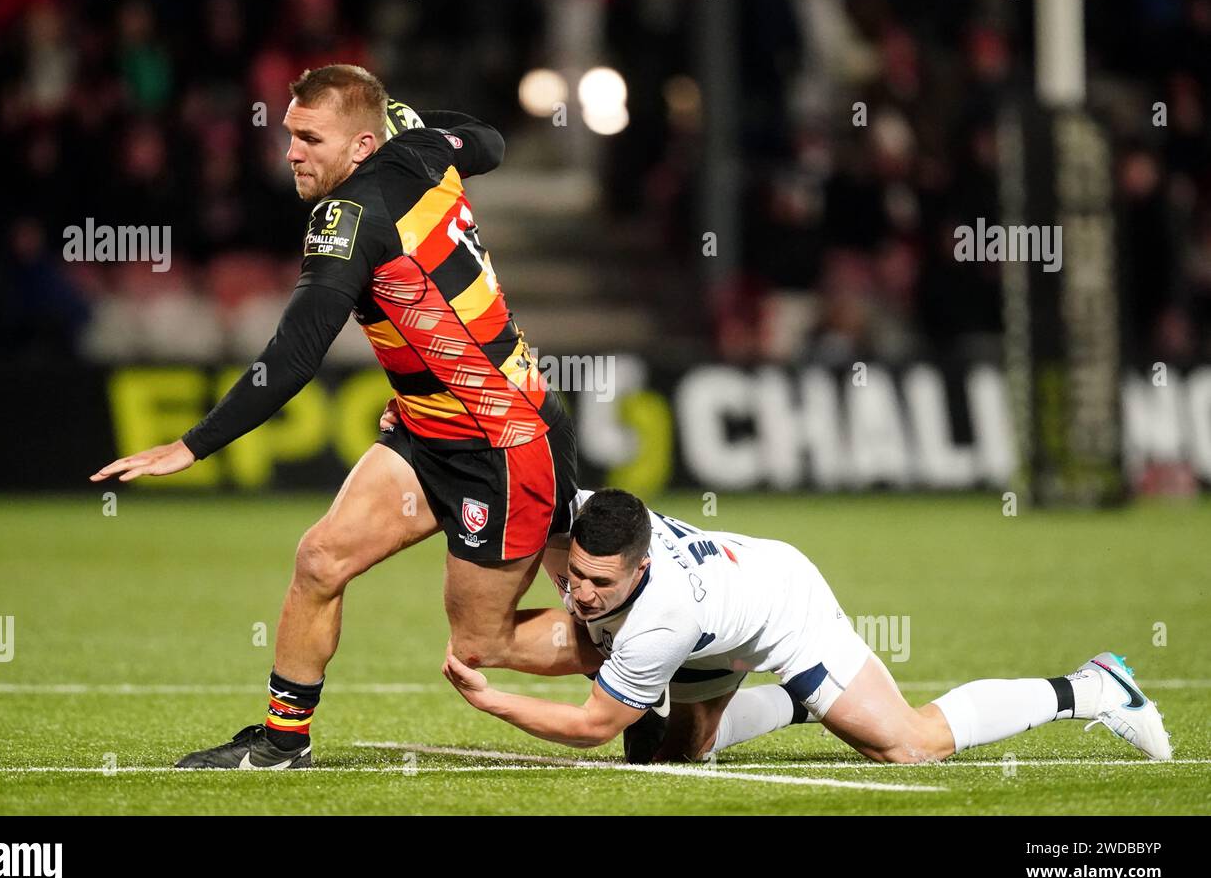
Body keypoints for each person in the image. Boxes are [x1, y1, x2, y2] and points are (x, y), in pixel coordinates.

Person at [92, 64, 602, 769]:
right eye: (289, 134)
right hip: (433, 428)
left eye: (310, 138)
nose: (291, 152)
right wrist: (411, 120)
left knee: (480, 645)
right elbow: (487, 142)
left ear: (361, 145)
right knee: (320, 559)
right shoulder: (420, 150)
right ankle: (281, 742)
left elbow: (294, 355)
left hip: (505, 441)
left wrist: (193, 444)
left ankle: (654, 663)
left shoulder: (347, 216)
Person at [443, 489, 1172, 765]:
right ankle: (787, 703)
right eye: (576, 575)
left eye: (601, 583)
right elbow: (514, 475)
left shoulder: (660, 616)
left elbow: (590, 726)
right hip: (716, 624)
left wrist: (490, 700)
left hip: (780, 609)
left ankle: (1094, 686)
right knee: (663, 760)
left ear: (640, 569)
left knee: (908, 746)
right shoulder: (594, 517)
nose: (581, 592)